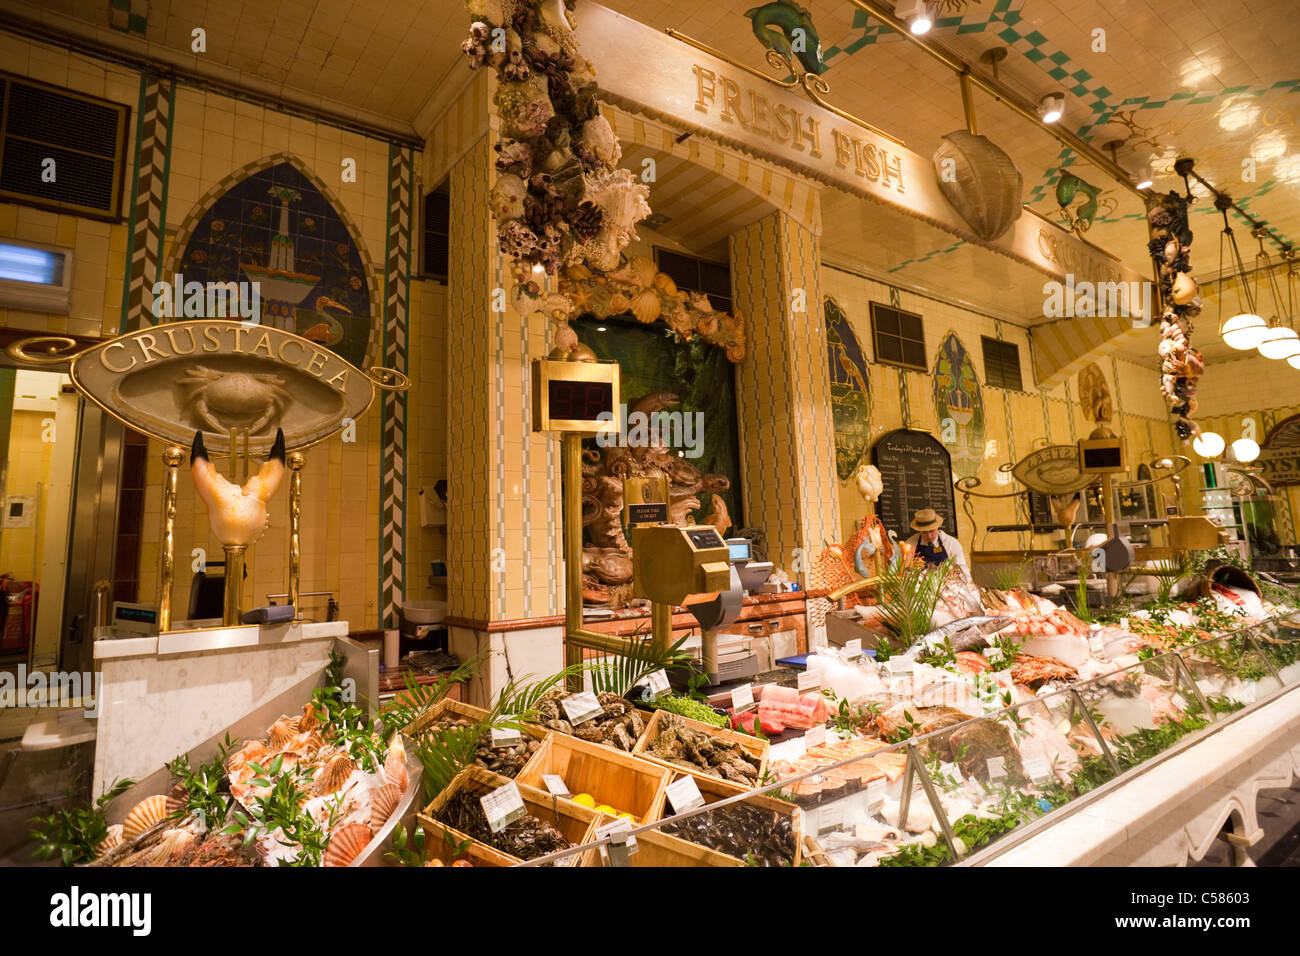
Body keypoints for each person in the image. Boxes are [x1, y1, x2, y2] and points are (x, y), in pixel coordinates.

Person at [903, 508, 970, 580]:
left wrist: (958, 572)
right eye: (924, 532)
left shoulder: (951, 543)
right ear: (919, 530)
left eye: (932, 531)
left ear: (937, 527)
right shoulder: (910, 544)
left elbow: (964, 570)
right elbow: (903, 571)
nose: (929, 536)